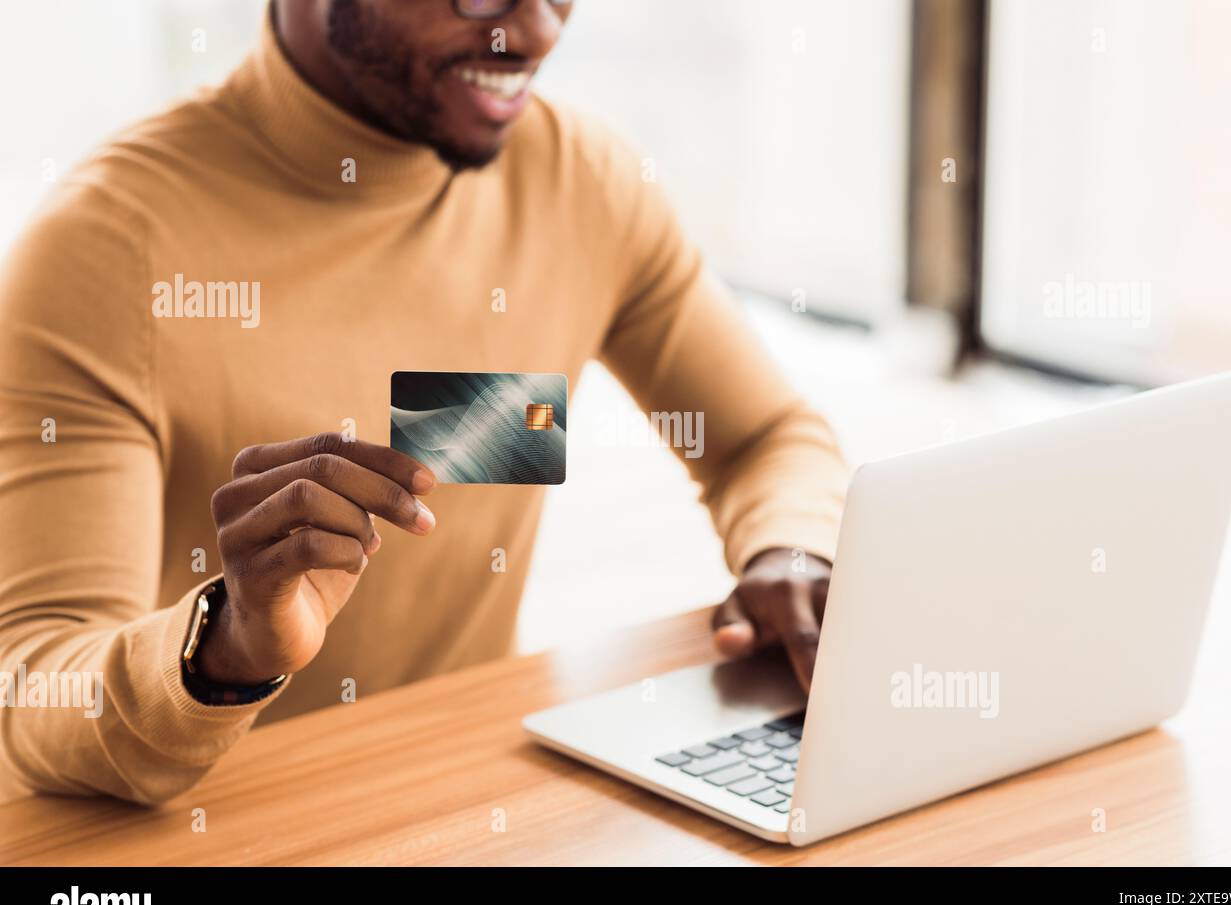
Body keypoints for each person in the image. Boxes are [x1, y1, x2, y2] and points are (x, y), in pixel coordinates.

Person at [0, 0, 847, 804]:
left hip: (459, 807)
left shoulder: (580, 182)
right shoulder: (103, 249)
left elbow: (763, 438)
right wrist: (227, 648)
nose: (539, 31)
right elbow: (34, 681)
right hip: (189, 839)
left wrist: (792, 549)